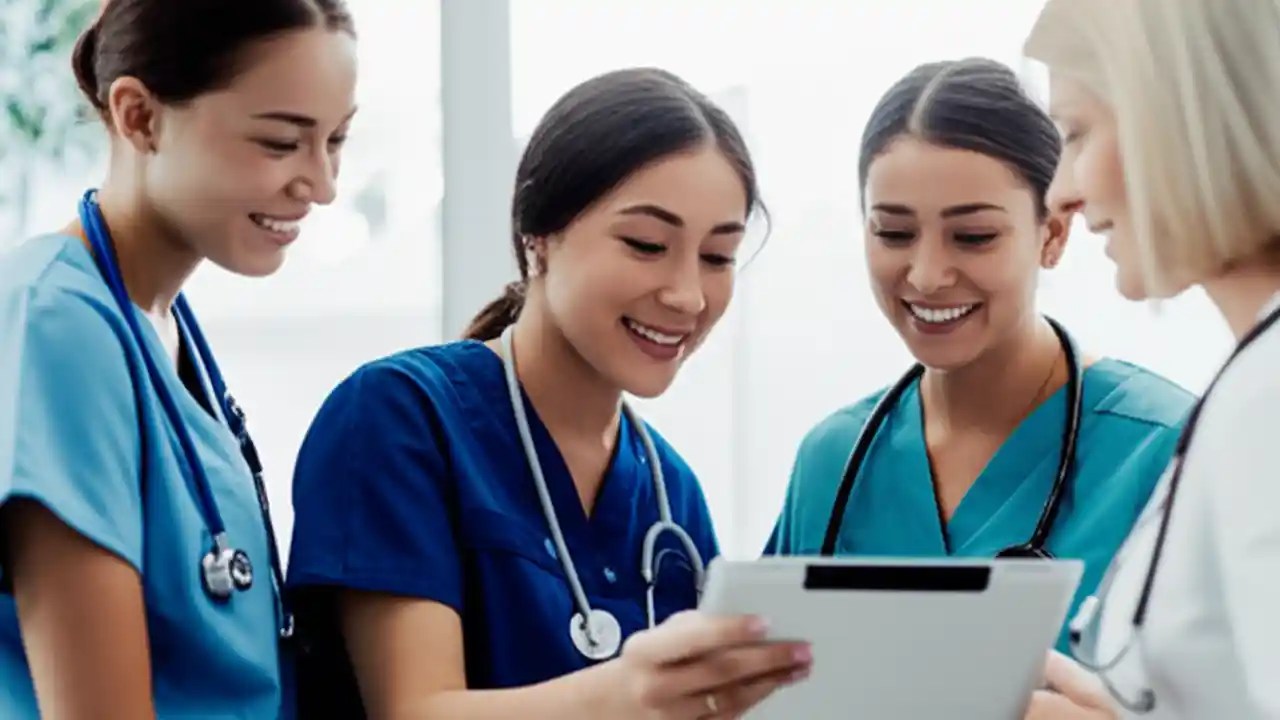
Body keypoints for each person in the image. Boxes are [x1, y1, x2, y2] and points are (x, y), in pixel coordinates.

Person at [285, 67, 812, 719]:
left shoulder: (671, 497)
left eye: (717, 256)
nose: (688, 295)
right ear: (538, 237)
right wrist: (625, 695)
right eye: (647, 245)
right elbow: (413, 710)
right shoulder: (398, 417)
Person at [763, 57, 1194, 651]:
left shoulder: (1164, 449)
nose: (927, 274)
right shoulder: (833, 462)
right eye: (893, 233)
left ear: (1052, 236)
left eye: (973, 237)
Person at [0, 1, 357, 717]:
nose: (321, 186)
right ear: (139, 117)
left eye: (337, 140)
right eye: (281, 143)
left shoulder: (161, 326)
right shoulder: (56, 324)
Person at [1019, 0, 1280, 717]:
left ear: (1177, 117)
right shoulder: (1250, 384)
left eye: (1076, 133)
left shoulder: (1268, 403)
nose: (1061, 191)